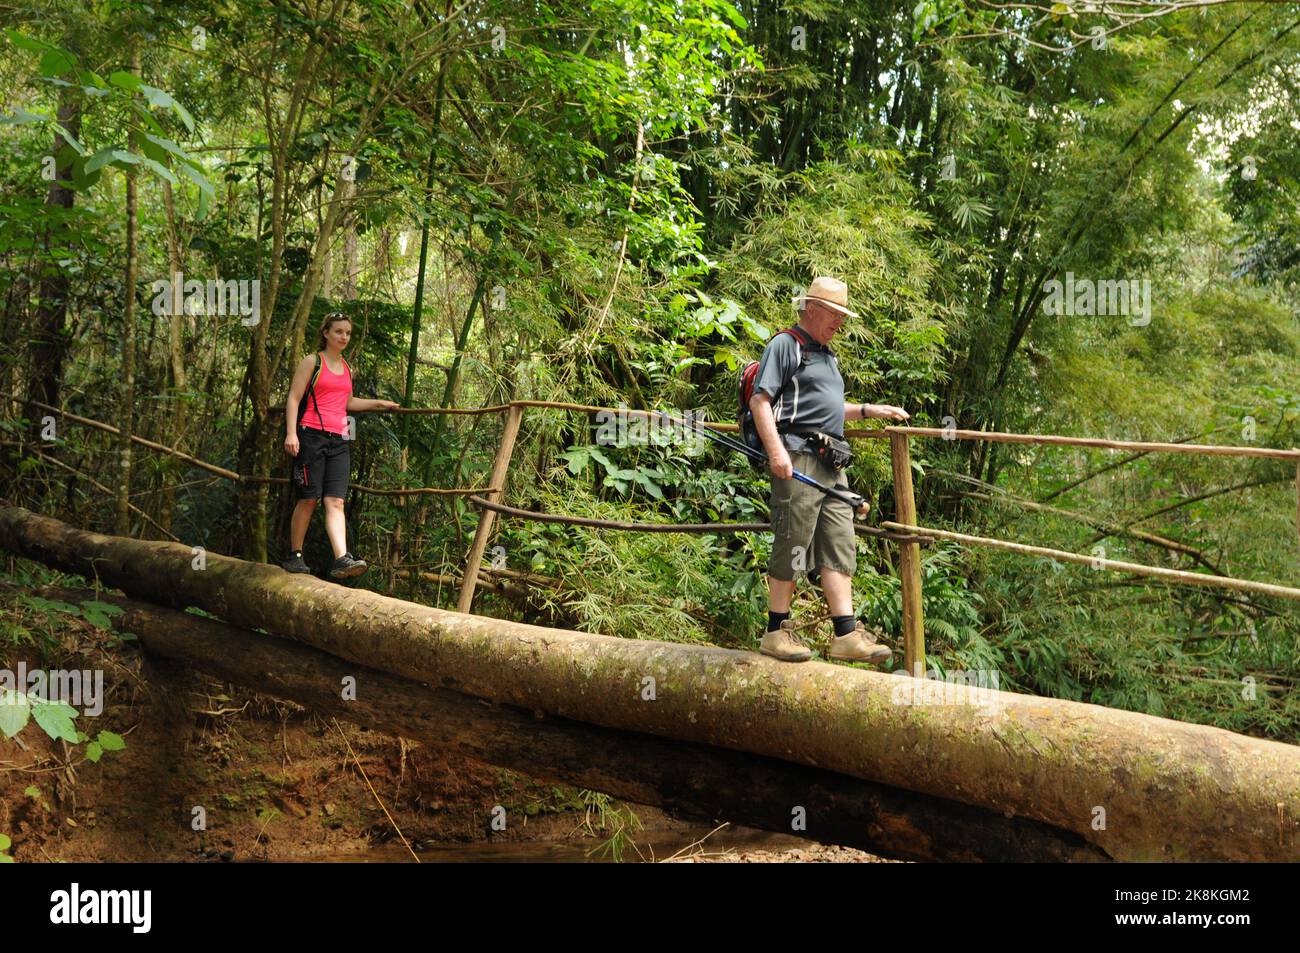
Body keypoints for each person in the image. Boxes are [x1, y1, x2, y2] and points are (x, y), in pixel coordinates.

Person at [749, 276, 910, 663]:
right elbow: (760, 400)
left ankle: (845, 634)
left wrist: (869, 410)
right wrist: (777, 453)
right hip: (798, 456)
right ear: (812, 309)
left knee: (839, 540)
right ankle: (776, 631)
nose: (840, 322)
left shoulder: (827, 355)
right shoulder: (786, 345)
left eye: (843, 315)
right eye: (835, 314)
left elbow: (826, 408)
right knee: (793, 539)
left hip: (831, 462)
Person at [281, 311, 399, 578]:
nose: (344, 336)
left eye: (347, 332)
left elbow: (347, 403)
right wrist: (291, 433)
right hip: (311, 435)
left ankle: (341, 559)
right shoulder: (313, 361)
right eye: (338, 332)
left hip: (340, 438)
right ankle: (295, 555)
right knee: (309, 499)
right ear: (326, 333)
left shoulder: (347, 367)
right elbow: (294, 397)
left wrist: (378, 404)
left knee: (335, 501)